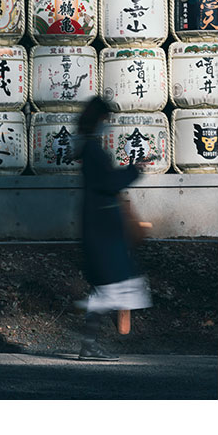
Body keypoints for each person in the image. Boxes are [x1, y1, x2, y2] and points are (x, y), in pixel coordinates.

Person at [74, 96, 152, 361]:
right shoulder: (93, 150)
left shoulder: (88, 148)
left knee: (107, 287)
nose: (108, 126)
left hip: (100, 225)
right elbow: (107, 183)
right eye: (107, 120)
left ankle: (89, 343)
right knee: (112, 286)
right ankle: (89, 343)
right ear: (100, 119)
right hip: (103, 229)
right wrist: (133, 170)